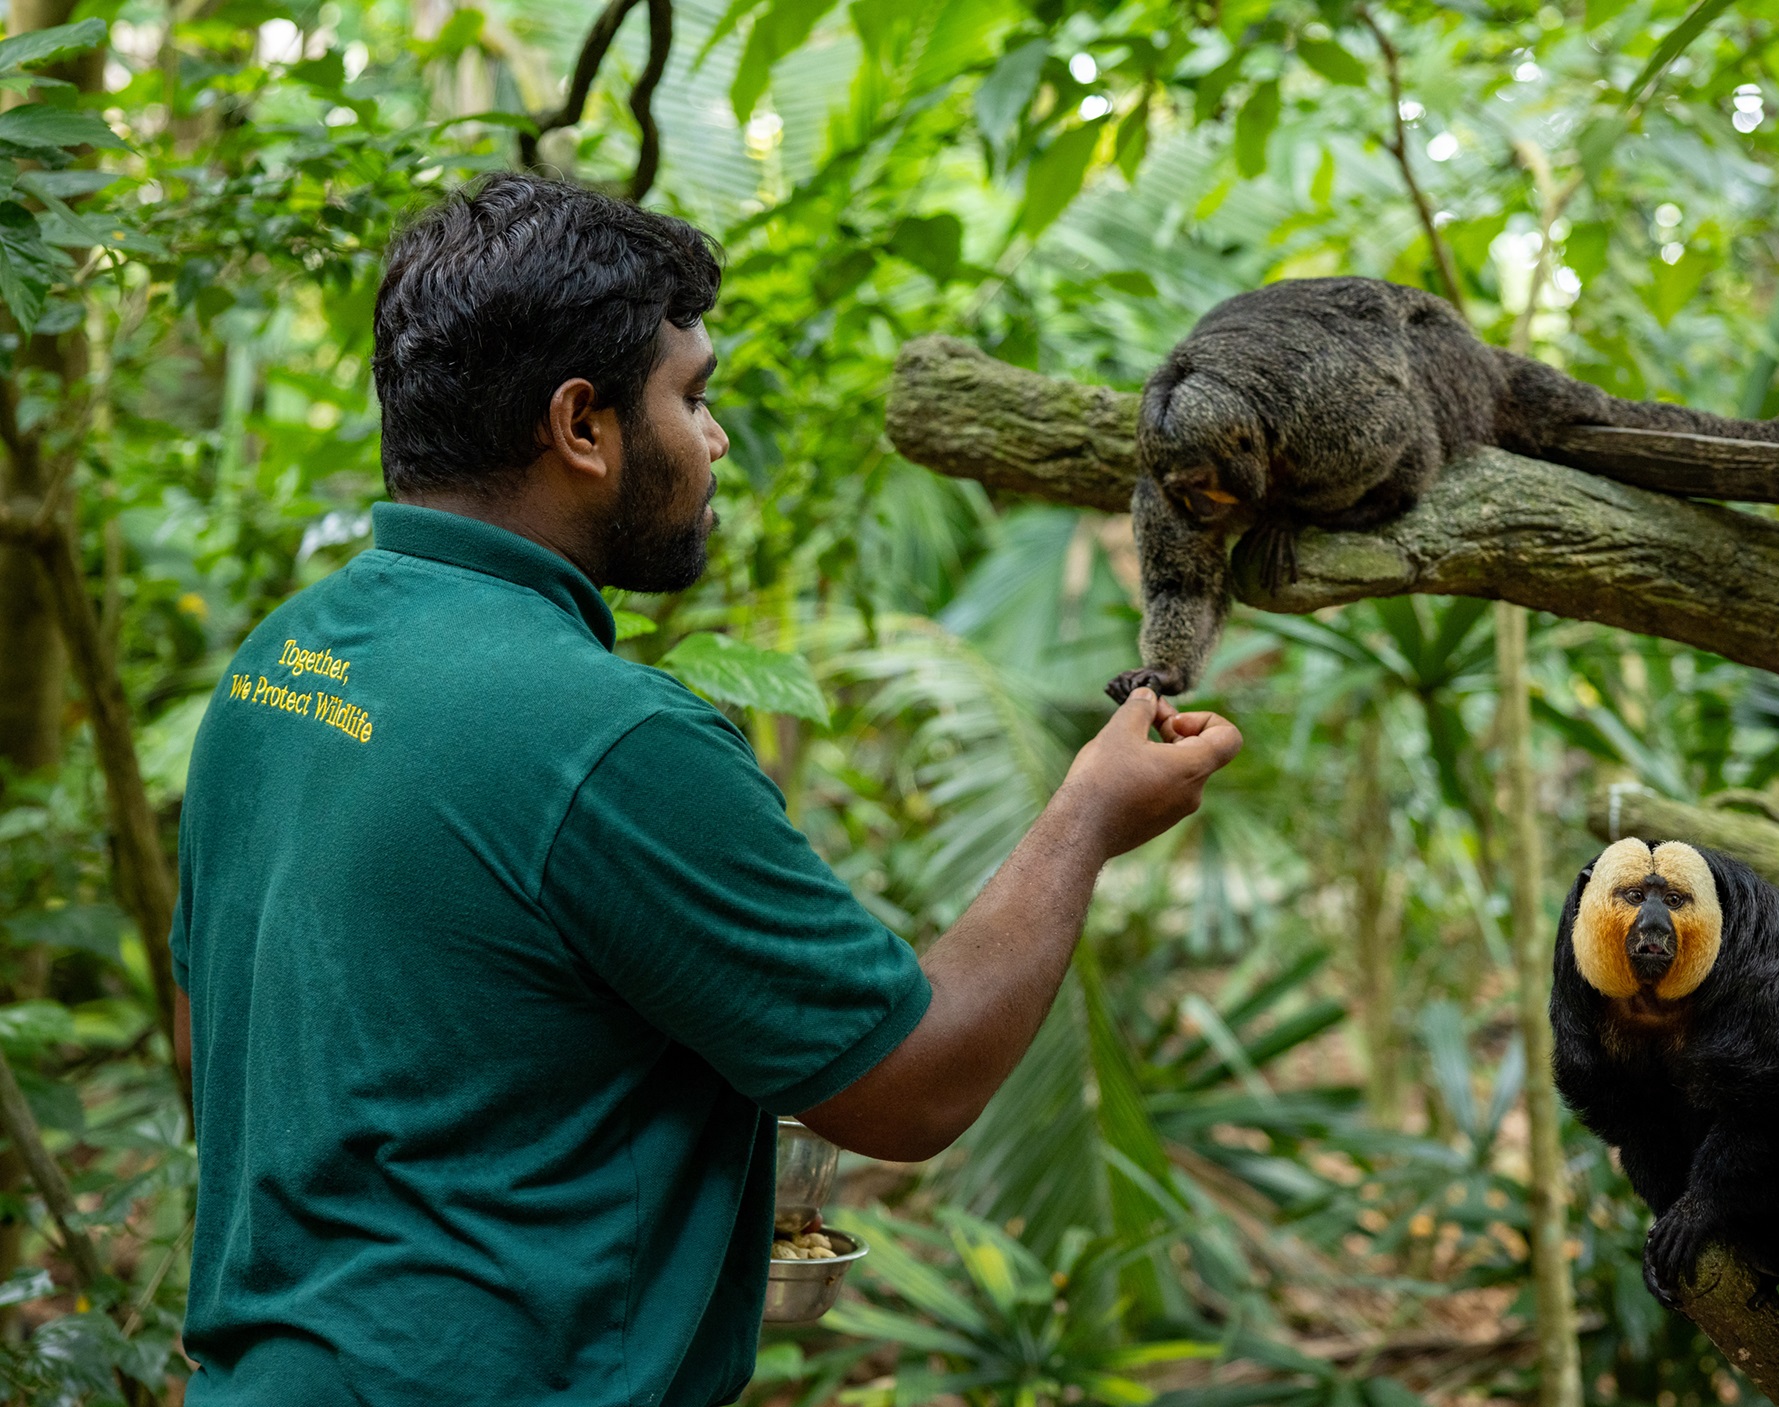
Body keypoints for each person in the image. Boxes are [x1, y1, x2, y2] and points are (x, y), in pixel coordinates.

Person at [167, 172, 1241, 1406]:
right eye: (693, 397)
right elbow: (918, 1077)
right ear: (582, 426)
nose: (714, 439)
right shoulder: (609, 738)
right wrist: (1084, 817)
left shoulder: (283, 659)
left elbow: (216, 1048)